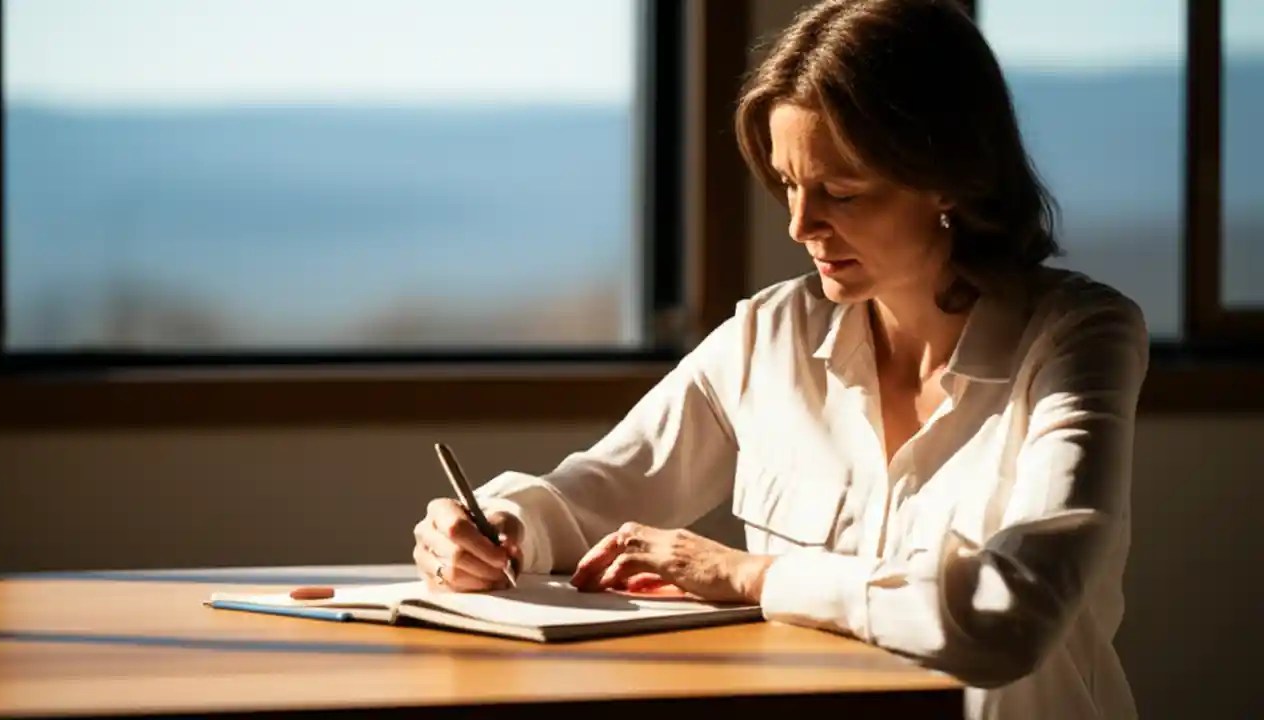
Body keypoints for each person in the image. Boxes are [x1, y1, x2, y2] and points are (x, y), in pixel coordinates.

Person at [411, 0, 1147, 717]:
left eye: (841, 192)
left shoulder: (1080, 340)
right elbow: (600, 490)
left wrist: (750, 575)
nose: (800, 224)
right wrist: (499, 529)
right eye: (789, 184)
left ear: (950, 177)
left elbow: (1008, 615)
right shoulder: (769, 336)